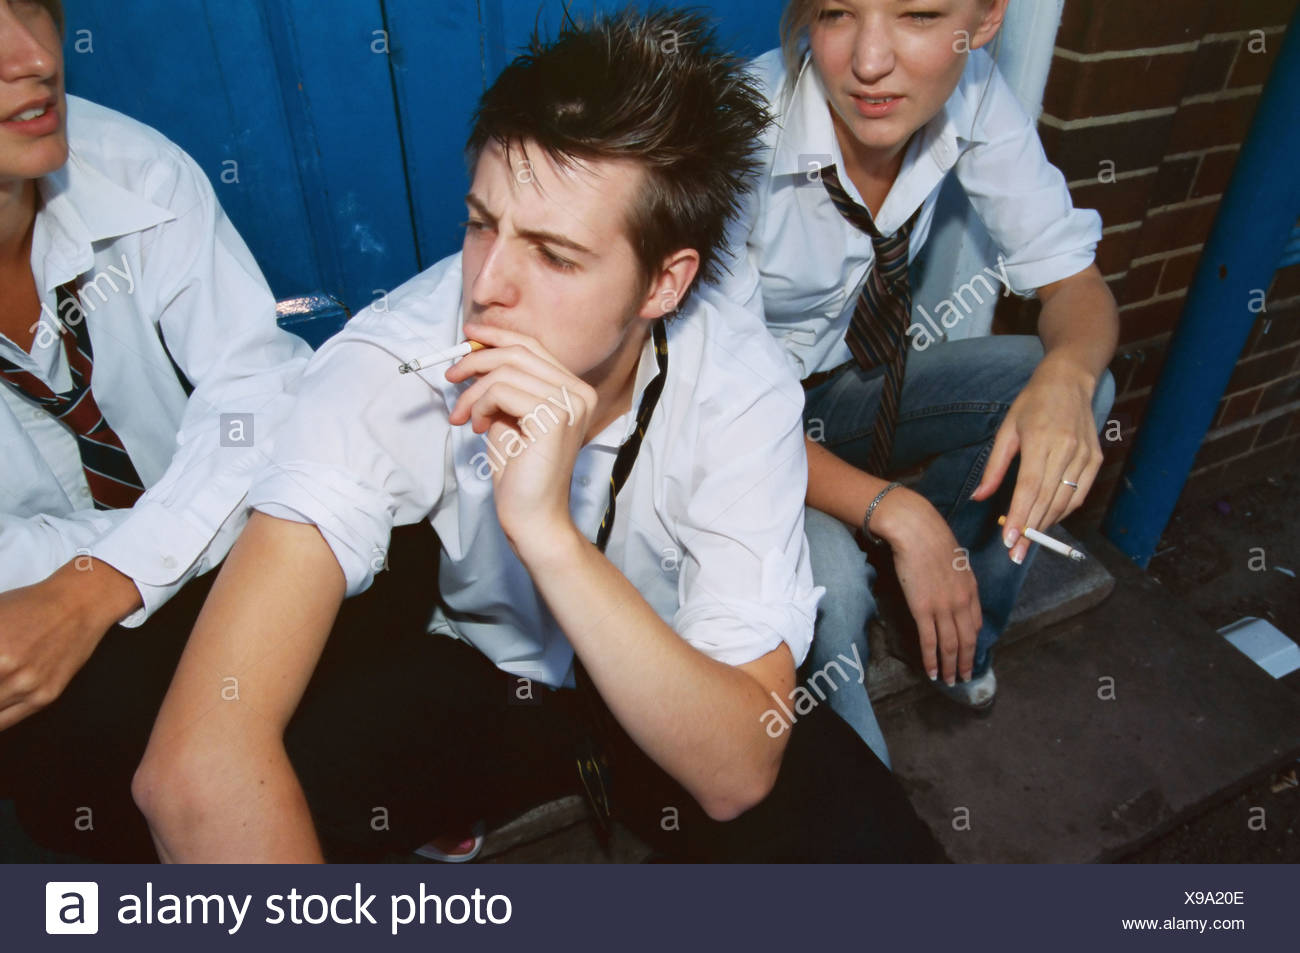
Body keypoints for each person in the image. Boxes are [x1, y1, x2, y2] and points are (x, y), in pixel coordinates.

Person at [132, 9, 943, 863]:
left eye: (556, 255)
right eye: (483, 222)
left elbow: (735, 769)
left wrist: (549, 535)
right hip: (488, 676)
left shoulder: (740, 385)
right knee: (272, 777)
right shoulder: (390, 359)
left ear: (664, 283)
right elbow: (191, 768)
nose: (489, 284)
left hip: (666, 675)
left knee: (878, 852)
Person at [726, 0, 1118, 761]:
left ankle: (947, 617)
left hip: (838, 390)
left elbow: (1078, 287)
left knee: (1076, 393)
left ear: (987, 19)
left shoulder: (969, 88)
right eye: (838, 12)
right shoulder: (738, 133)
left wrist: (1065, 377)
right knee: (830, 589)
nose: (871, 62)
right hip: (730, 426)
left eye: (919, 13)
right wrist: (896, 511)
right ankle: (861, 812)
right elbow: (715, 409)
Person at [0, 0, 313, 858]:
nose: (34, 55)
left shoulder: (126, 164)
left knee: (381, 544)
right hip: (77, 626)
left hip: (190, 566)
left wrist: (100, 581)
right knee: (69, 747)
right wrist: (181, 530)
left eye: (30, 2)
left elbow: (263, 392)